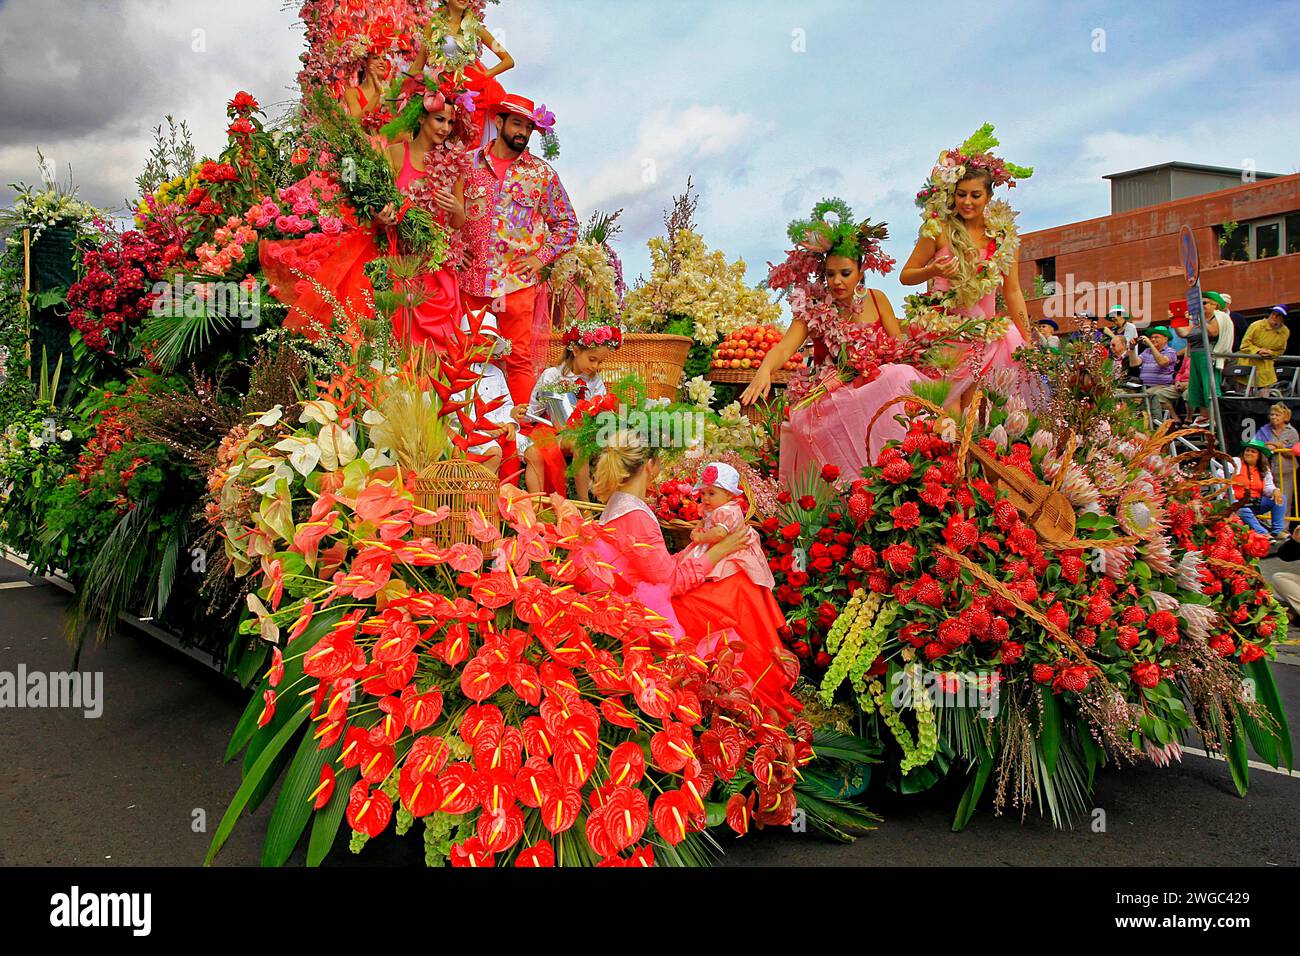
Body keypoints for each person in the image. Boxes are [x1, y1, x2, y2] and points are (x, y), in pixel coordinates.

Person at [586, 433, 798, 721]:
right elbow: (669, 583)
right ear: (650, 466)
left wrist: (700, 551)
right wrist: (718, 550)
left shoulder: (621, 505)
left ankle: (764, 677)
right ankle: (762, 690)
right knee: (737, 589)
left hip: (638, 601)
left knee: (734, 582)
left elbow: (657, 569)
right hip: (650, 615)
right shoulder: (634, 514)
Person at [740, 198, 925, 483]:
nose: (837, 281)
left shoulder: (877, 299)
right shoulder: (814, 304)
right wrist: (764, 369)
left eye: (845, 273)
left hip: (873, 383)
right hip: (831, 392)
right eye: (830, 274)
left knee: (902, 373)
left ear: (861, 273)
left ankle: (904, 467)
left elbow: (900, 349)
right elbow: (785, 347)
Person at [898, 126, 1035, 411]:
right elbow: (906, 276)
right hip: (946, 337)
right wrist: (932, 270)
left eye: (975, 195)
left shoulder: (1002, 237)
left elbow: (1013, 292)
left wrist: (1028, 339)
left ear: (988, 197)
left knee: (980, 418)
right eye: (961, 195)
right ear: (952, 193)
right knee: (948, 417)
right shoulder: (938, 230)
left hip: (988, 340)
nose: (967, 202)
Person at [460, 93, 578, 404]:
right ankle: (467, 435)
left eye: (528, 127)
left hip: (516, 284)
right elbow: (445, 214)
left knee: (518, 359)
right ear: (498, 122)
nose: (522, 133)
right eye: (516, 124)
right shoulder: (467, 165)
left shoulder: (542, 174)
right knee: (467, 355)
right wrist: (453, 249)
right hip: (471, 281)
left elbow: (567, 225)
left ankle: (522, 440)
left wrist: (541, 258)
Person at [673, 462, 798, 720]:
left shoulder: (727, 513)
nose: (705, 499)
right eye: (704, 493)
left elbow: (720, 534)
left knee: (726, 584)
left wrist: (699, 537)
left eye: (711, 493)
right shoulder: (717, 510)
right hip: (717, 553)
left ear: (730, 495)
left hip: (730, 556)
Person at [383, 85, 471, 348]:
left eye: (450, 122)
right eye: (439, 119)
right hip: (400, 261)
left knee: (437, 349)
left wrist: (456, 209)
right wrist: (385, 215)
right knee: (399, 339)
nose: (445, 128)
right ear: (421, 118)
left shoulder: (454, 163)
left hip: (436, 269)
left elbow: (458, 223)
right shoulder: (395, 154)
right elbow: (381, 203)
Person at [515, 319, 618, 498]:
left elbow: (599, 410)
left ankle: (594, 501)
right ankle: (561, 503)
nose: (595, 367)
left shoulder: (594, 381)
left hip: (581, 431)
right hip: (551, 430)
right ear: (576, 350)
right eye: (592, 359)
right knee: (560, 446)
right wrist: (521, 414)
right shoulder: (551, 375)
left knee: (587, 442)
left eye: (600, 362)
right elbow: (532, 413)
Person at [412, 0, 515, 148]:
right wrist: (403, 89)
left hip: (473, 93)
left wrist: (484, 75)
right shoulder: (432, 26)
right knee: (440, 143)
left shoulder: (475, 28)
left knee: (469, 144)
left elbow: (508, 60)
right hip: (443, 90)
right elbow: (417, 66)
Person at [450, 309, 516, 478]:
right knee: (493, 452)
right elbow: (454, 411)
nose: (485, 346)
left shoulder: (496, 373)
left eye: (490, 342)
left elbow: (507, 404)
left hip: (496, 429)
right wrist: (485, 427)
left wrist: (509, 422)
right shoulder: (455, 371)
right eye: (480, 340)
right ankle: (476, 496)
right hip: (468, 431)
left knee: (532, 450)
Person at [1231, 440, 1286, 539]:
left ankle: (1277, 531)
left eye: (1253, 451)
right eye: (1247, 450)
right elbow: (1221, 475)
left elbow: (1268, 486)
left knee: (1281, 498)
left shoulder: (1263, 468)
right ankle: (1263, 533)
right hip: (1238, 503)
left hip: (1255, 502)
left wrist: (1275, 491)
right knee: (1242, 510)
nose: (1249, 453)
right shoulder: (1236, 462)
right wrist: (1232, 496)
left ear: (1259, 456)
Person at [1255, 402, 1299, 518]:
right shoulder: (1264, 430)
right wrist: (1270, 445)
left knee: (1284, 501)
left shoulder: (1292, 432)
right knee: (1268, 500)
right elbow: (1255, 445)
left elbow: (1294, 453)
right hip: (1267, 471)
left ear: (1285, 417)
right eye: (1272, 414)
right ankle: (1268, 528)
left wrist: (1280, 448)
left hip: (1286, 472)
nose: (1273, 417)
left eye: (1277, 415)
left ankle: (1282, 530)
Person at [1240, 305, 1292, 393]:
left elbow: (1281, 350)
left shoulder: (1285, 331)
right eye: (1273, 314)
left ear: (1283, 318)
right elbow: (1244, 345)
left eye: (1278, 315)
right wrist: (1258, 350)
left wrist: (1271, 353)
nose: (1274, 317)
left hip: (1267, 368)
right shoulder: (1256, 325)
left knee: (1264, 395)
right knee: (1247, 393)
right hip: (1249, 365)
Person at [1136, 326, 1180, 422]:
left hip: (1162, 386)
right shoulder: (1146, 351)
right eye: (1151, 337)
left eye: (1156, 337)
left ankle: (1159, 422)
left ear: (1165, 339)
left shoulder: (1170, 351)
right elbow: (1134, 363)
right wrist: (1131, 349)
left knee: (1148, 395)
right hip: (1144, 385)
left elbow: (1162, 362)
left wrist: (1151, 345)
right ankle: (1171, 419)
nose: (1152, 339)